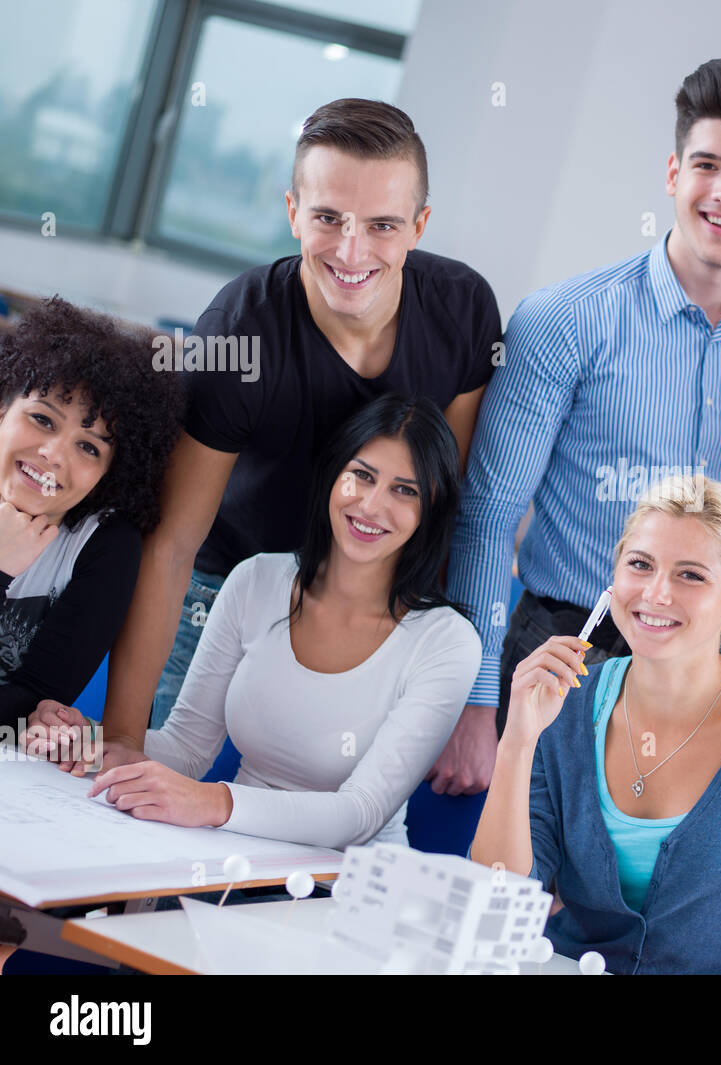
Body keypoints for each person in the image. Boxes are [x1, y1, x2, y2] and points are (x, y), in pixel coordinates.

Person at [439, 56, 721, 796]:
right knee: (519, 891)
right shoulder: (564, 318)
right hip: (565, 651)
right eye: (706, 164)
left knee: (652, 901)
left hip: (711, 673)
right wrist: (477, 701)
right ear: (673, 172)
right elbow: (486, 515)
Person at [95, 98, 500, 764]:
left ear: (420, 226)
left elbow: (445, 507)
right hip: (223, 588)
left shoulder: (463, 310)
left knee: (318, 814)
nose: (351, 249)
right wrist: (121, 741)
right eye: (327, 218)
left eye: (382, 225)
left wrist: (449, 675)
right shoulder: (237, 333)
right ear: (292, 213)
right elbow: (172, 544)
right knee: (151, 789)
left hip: (369, 600)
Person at [24, 394, 480, 849]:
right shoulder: (257, 580)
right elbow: (187, 748)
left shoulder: (445, 641)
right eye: (361, 476)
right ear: (333, 475)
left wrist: (212, 803)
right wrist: (86, 742)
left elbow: (357, 814)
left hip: (350, 887)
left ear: (432, 507)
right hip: (231, 856)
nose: (372, 505)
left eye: (406, 490)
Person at [471, 475, 721, 974]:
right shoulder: (567, 707)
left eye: (691, 575)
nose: (656, 593)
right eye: (640, 565)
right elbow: (500, 896)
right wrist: (518, 741)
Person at [0, 297, 183, 731]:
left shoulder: (104, 544)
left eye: (89, 447)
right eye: (43, 419)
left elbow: (35, 699)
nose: (53, 455)